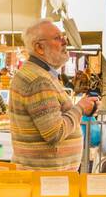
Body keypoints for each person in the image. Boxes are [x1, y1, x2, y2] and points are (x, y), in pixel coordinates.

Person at [8, 19, 96, 171]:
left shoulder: (39, 74)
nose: (64, 42)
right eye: (58, 38)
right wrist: (80, 108)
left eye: (63, 37)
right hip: (44, 180)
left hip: (44, 178)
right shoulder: (39, 80)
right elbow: (55, 133)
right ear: (40, 47)